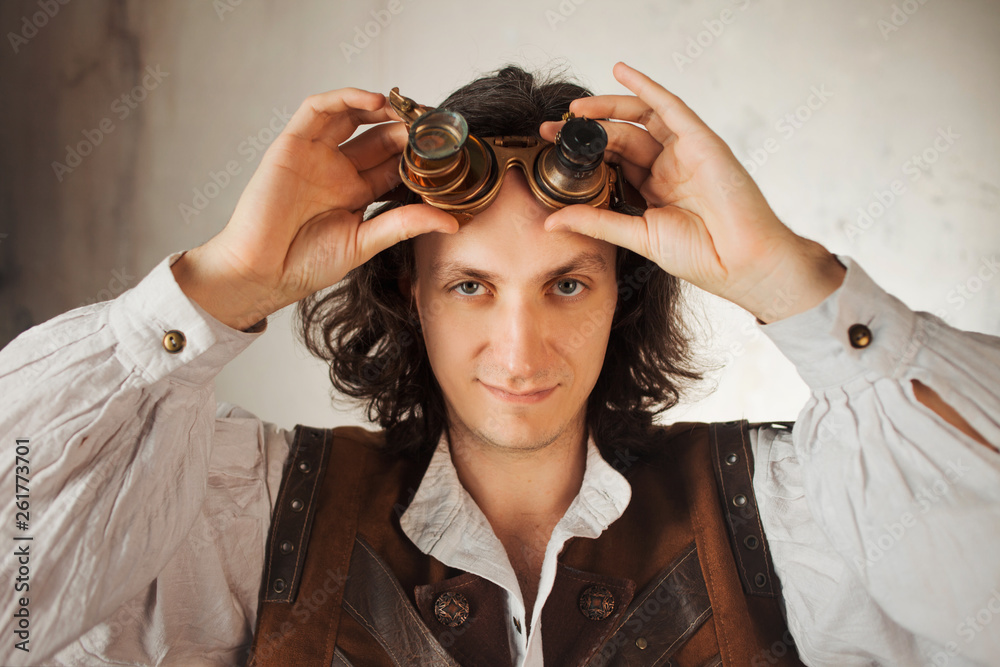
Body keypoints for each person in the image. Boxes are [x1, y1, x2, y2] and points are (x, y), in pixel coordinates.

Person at [0, 61, 998, 667]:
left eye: (567, 283)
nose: (519, 351)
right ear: (410, 293)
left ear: (623, 294)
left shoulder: (785, 511)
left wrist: (796, 284)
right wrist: (218, 287)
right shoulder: (251, 512)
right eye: (471, 284)